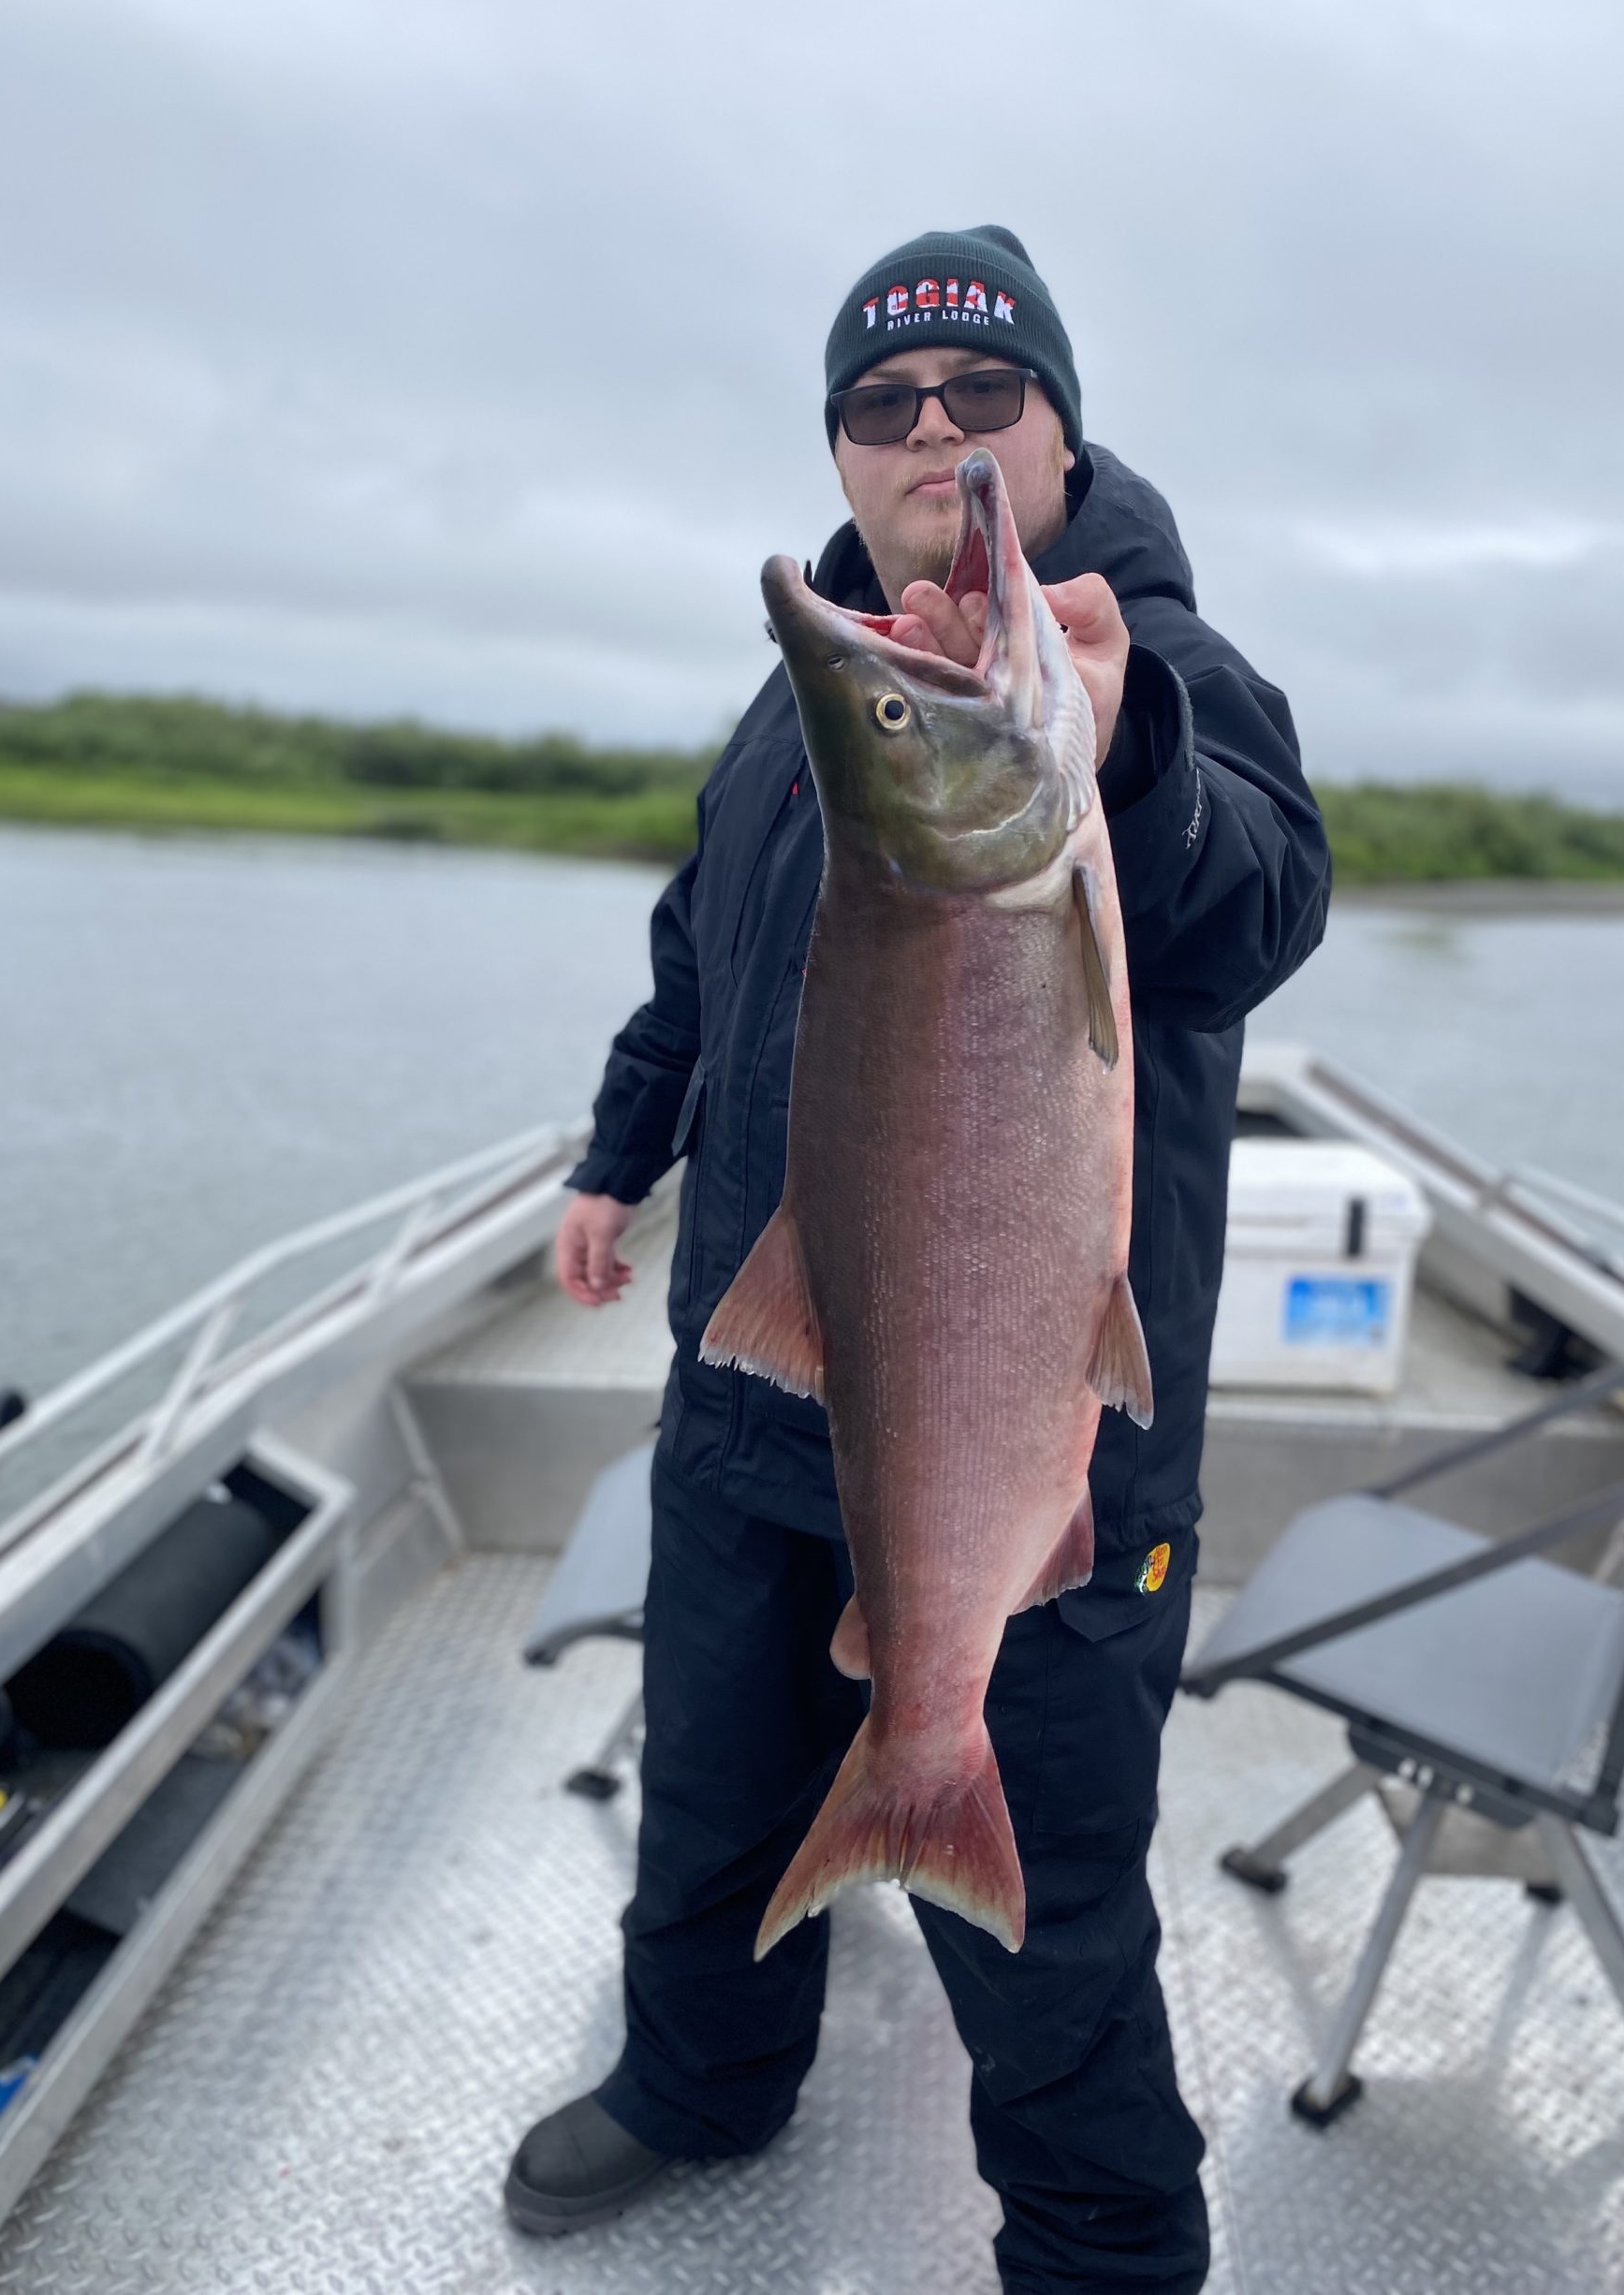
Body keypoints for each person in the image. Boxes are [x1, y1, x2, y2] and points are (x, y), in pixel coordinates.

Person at [505, 225, 1331, 2292]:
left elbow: (1257, 901)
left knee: (1048, 1924)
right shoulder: (816, 705)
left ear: (1058, 427)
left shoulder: (1160, 684)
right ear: (844, 451)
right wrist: (620, 1157)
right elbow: (697, 960)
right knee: (706, 1796)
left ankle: (1101, 2251)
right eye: (884, 406)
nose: (933, 431)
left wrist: (1121, 749)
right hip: (755, 1402)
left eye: (983, 393)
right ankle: (702, 2075)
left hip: (1041, 1451)